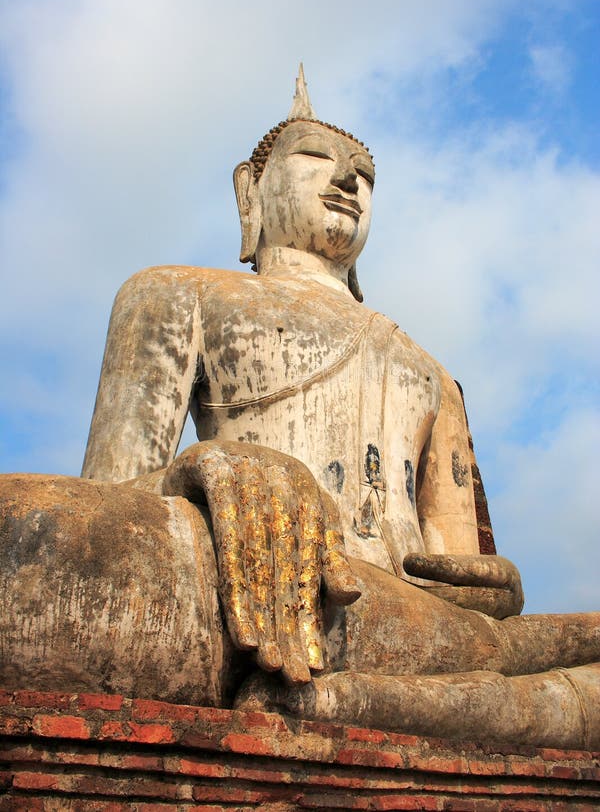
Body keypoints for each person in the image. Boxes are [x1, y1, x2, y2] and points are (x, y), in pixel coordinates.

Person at [1, 68, 598, 747]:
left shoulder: (432, 374)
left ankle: (352, 702)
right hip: (248, 584)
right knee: (33, 537)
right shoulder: (173, 295)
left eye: (364, 175)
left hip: (409, 620)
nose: (346, 182)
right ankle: (413, 702)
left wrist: (496, 584)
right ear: (249, 190)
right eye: (316, 159)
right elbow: (103, 508)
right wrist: (204, 468)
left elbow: (455, 566)